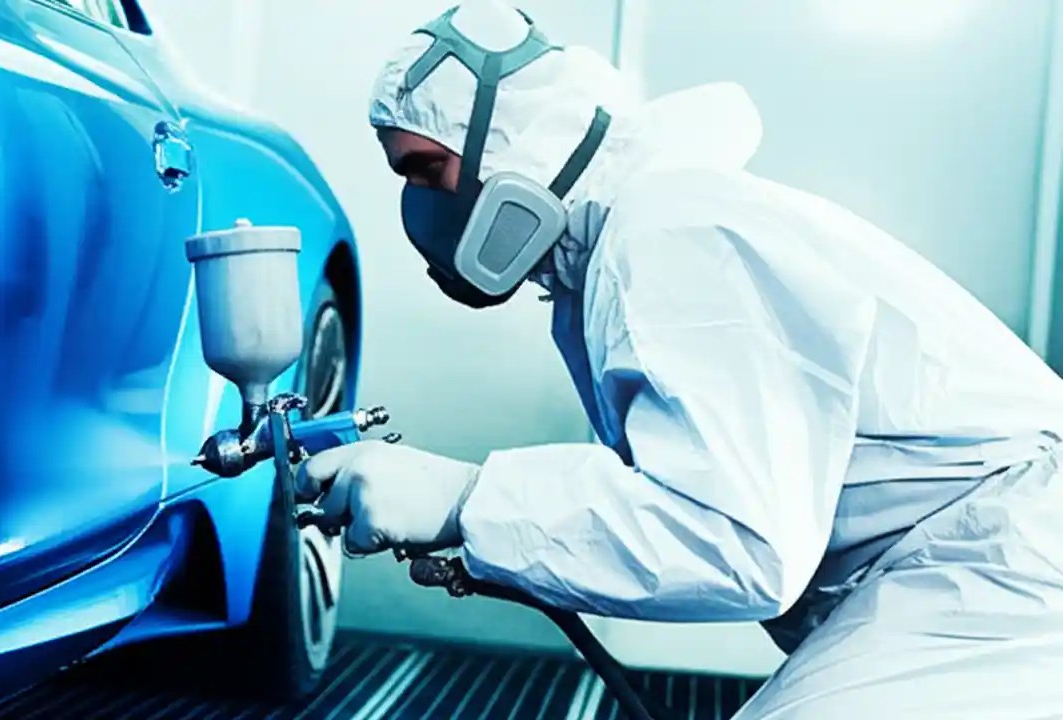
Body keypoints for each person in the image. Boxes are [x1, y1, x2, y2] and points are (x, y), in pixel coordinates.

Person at [297, 1, 1063, 716]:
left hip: (998, 570)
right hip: (951, 570)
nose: (422, 207)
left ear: (516, 142)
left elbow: (734, 538)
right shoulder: (619, 251)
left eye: (428, 171)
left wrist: (468, 499)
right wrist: (487, 532)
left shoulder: (671, 231)